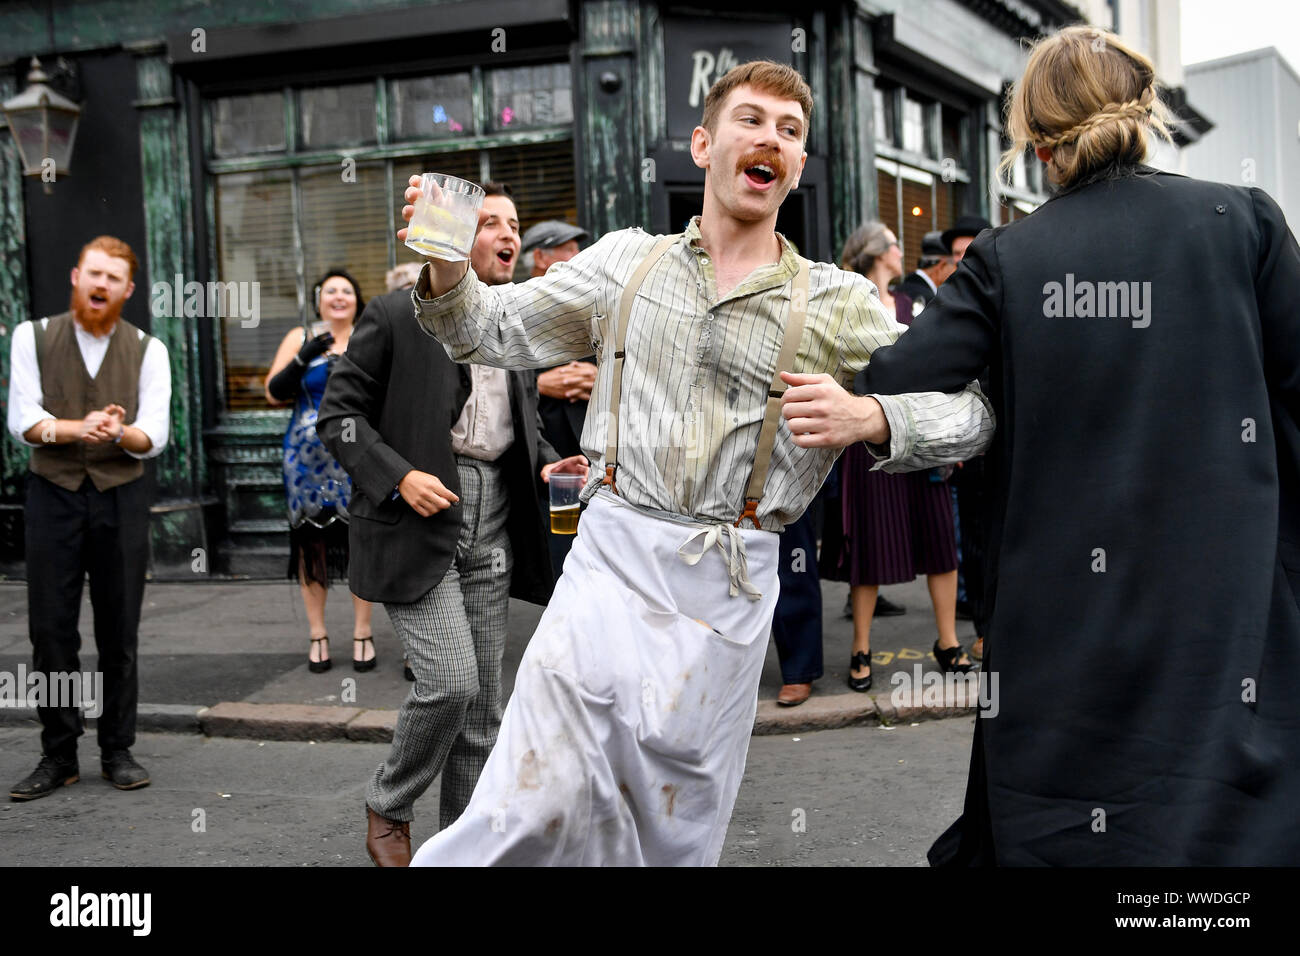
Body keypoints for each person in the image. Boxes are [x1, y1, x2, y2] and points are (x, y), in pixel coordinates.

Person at [400, 60, 993, 865]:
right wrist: (443, 260)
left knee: (669, 832)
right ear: (704, 143)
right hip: (609, 559)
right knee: (523, 805)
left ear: (799, 168)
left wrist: (871, 416)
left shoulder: (838, 299)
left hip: (730, 578)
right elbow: (484, 328)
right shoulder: (624, 263)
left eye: (790, 131)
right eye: (751, 120)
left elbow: (974, 411)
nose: (771, 140)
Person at [859, 26, 1300, 865]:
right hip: (1227, 604)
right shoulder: (1243, 221)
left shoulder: (1007, 257)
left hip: (1064, 619)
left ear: (1037, 142)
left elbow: (899, 376)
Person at [318, 182, 584, 867]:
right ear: (451, 240)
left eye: (513, 223)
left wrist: (555, 462)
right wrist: (399, 475)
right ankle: (389, 799)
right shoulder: (393, 316)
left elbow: (510, 428)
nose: (506, 234)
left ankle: (461, 846)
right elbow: (339, 419)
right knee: (450, 683)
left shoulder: (518, 325)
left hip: (494, 516)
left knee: (484, 708)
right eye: (487, 221)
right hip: (415, 522)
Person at [6, 236, 171, 800]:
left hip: (120, 497)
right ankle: (59, 754)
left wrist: (118, 432)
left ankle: (117, 748)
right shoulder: (31, 336)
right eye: (93, 274)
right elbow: (23, 418)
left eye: (113, 279)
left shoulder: (149, 349)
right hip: (52, 495)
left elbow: (154, 435)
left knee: (117, 629)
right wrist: (82, 427)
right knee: (50, 630)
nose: (101, 285)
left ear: (127, 290)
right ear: (77, 276)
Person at [826, 223, 972, 693]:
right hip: (867, 439)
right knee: (870, 546)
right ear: (876, 253)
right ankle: (860, 648)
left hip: (919, 437)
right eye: (893, 242)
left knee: (940, 542)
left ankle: (948, 641)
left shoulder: (914, 304)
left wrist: (950, 433)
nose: (900, 249)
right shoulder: (847, 301)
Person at [265, 269, 375, 672]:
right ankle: (318, 634)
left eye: (347, 290)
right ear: (319, 301)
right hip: (305, 462)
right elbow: (273, 392)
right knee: (311, 548)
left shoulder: (368, 336)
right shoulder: (299, 337)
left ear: (357, 300)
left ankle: (363, 632)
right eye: (331, 290)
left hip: (356, 456)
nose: (339, 296)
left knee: (361, 544)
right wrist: (304, 356)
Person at [523, 220, 595, 574]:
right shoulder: (517, 302)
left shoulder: (588, 302)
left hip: (593, 455)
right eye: (567, 250)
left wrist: (601, 378)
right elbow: (490, 375)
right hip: (545, 458)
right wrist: (536, 385)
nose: (577, 257)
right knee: (559, 557)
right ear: (539, 256)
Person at [895, 231, 953, 316]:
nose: (956, 271)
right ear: (942, 266)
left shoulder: (897, 290)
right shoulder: (931, 301)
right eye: (955, 265)